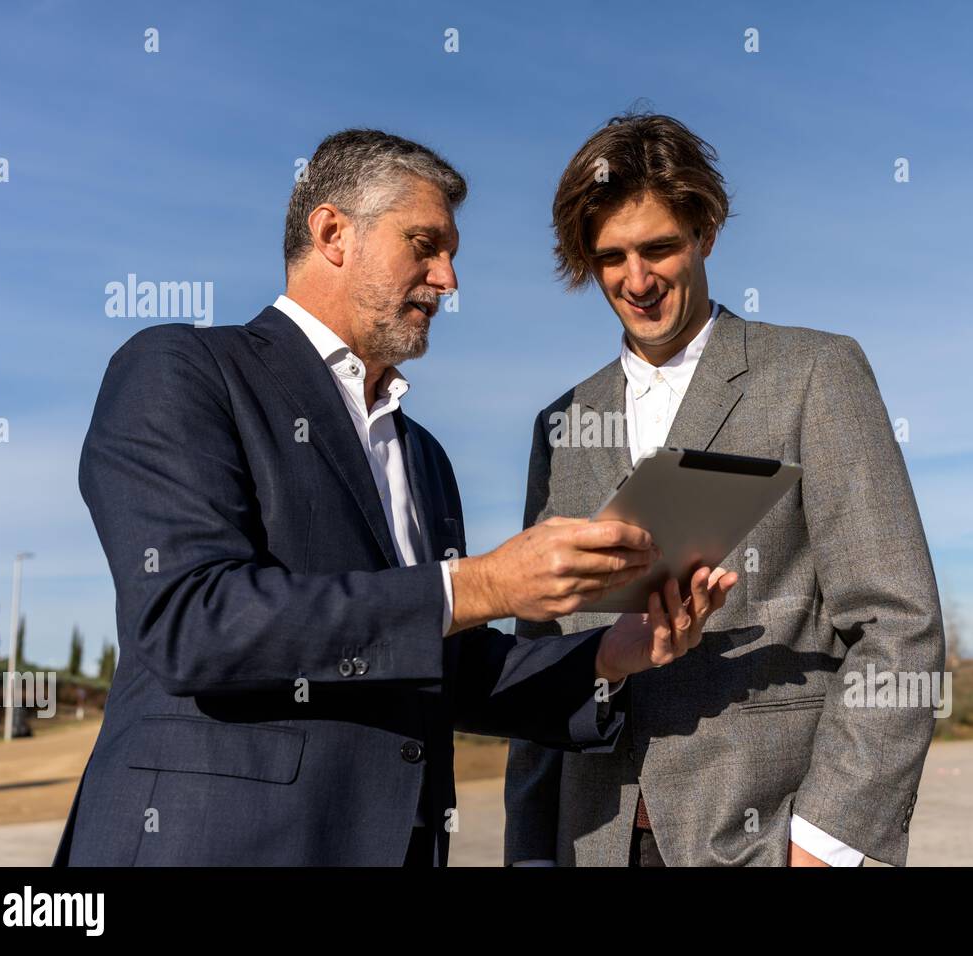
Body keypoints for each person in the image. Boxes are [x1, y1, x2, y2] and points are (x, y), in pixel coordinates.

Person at [53, 128, 735, 867]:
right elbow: (192, 622)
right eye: (425, 244)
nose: (448, 280)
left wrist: (613, 653)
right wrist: (481, 583)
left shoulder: (426, 458)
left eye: (451, 256)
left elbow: (451, 667)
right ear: (332, 232)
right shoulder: (182, 370)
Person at [504, 113, 944, 867]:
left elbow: (898, 625)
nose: (636, 281)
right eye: (611, 258)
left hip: (769, 839)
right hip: (594, 838)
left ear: (706, 231)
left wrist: (830, 840)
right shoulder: (562, 421)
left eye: (659, 248)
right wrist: (531, 849)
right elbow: (540, 655)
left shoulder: (815, 374)